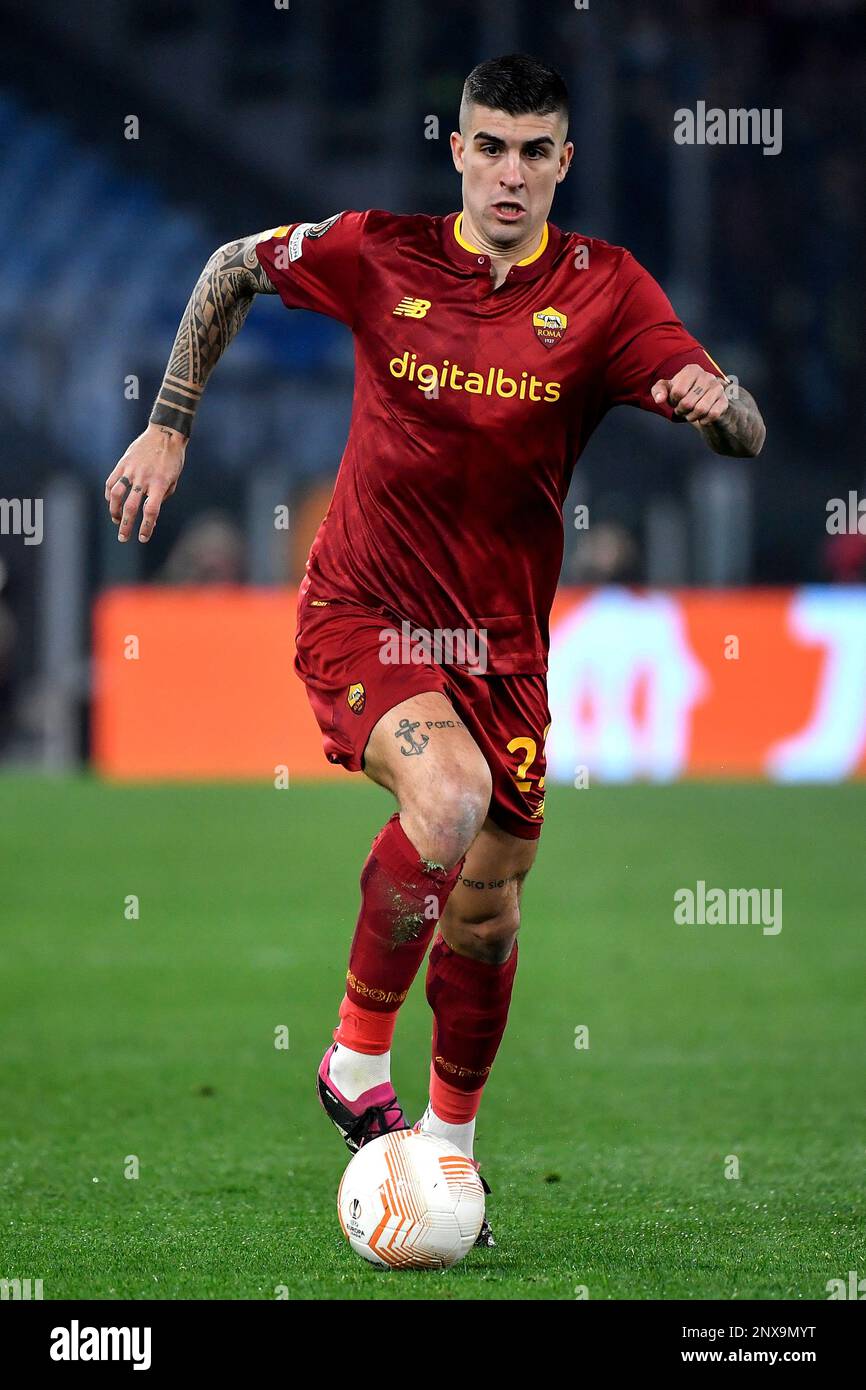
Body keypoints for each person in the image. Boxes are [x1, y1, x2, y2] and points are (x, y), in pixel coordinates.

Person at [104, 53, 765, 1247]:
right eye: (489, 146)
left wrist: (716, 407)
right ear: (455, 149)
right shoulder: (378, 253)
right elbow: (228, 268)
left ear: (563, 162)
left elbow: (741, 427)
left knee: (487, 910)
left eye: (533, 151)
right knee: (449, 800)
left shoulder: (606, 293)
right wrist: (167, 423)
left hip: (501, 649)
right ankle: (356, 1056)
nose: (509, 172)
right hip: (365, 611)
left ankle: (448, 1154)